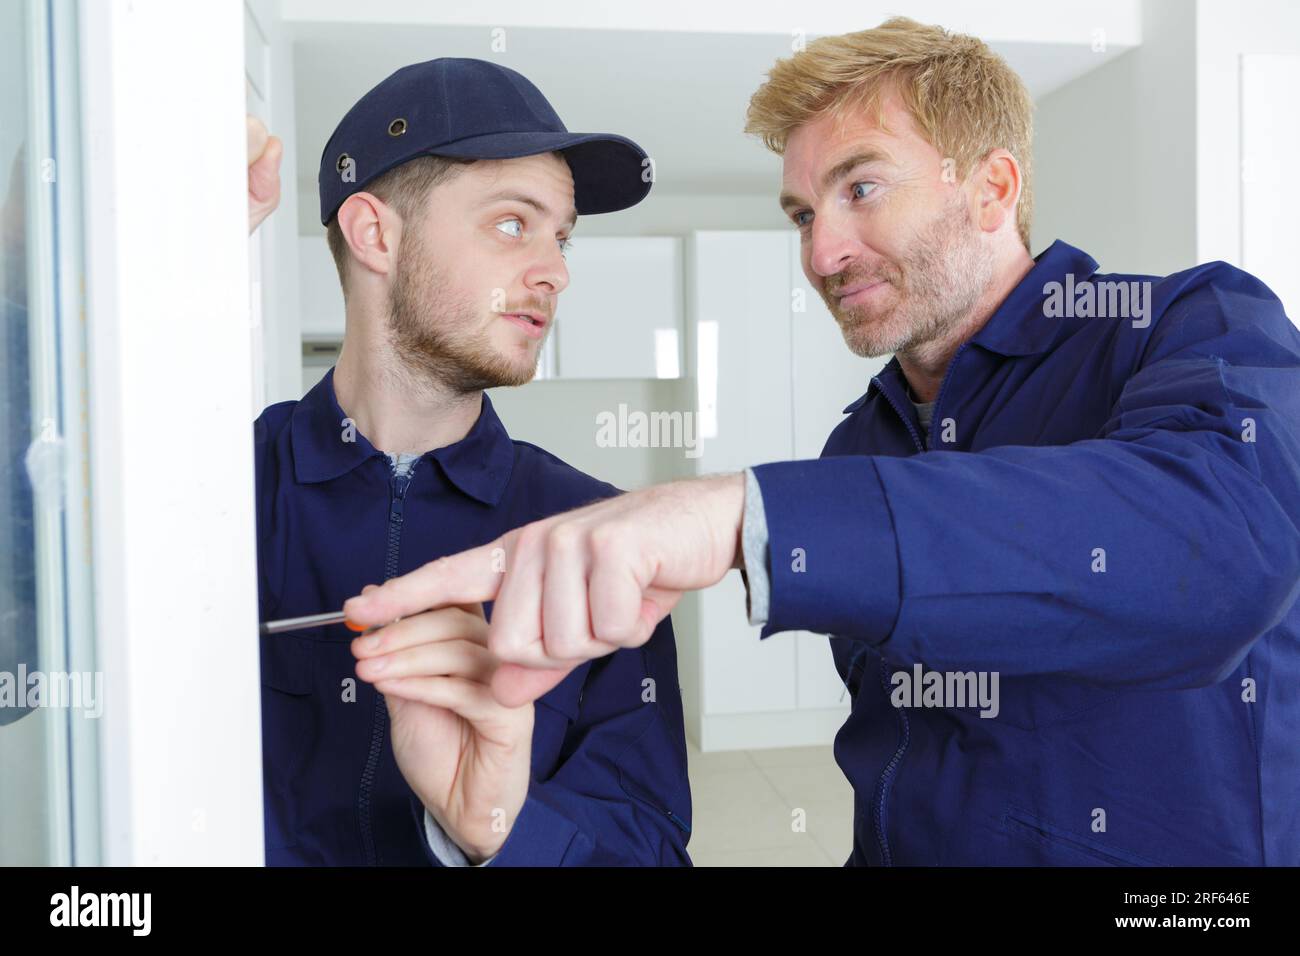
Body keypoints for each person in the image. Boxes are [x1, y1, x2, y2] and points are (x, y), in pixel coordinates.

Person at [345, 19, 1300, 866]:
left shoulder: (1187, 325)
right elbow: (903, 762)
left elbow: (1224, 546)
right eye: (804, 215)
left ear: (993, 187)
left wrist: (735, 510)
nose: (822, 253)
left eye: (863, 187)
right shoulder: (862, 445)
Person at [249, 57, 689, 866]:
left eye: (562, 236)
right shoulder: (219, 491)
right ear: (376, 234)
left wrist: (492, 829)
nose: (555, 271)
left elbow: (650, 848)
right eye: (514, 224)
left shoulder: (595, 535)